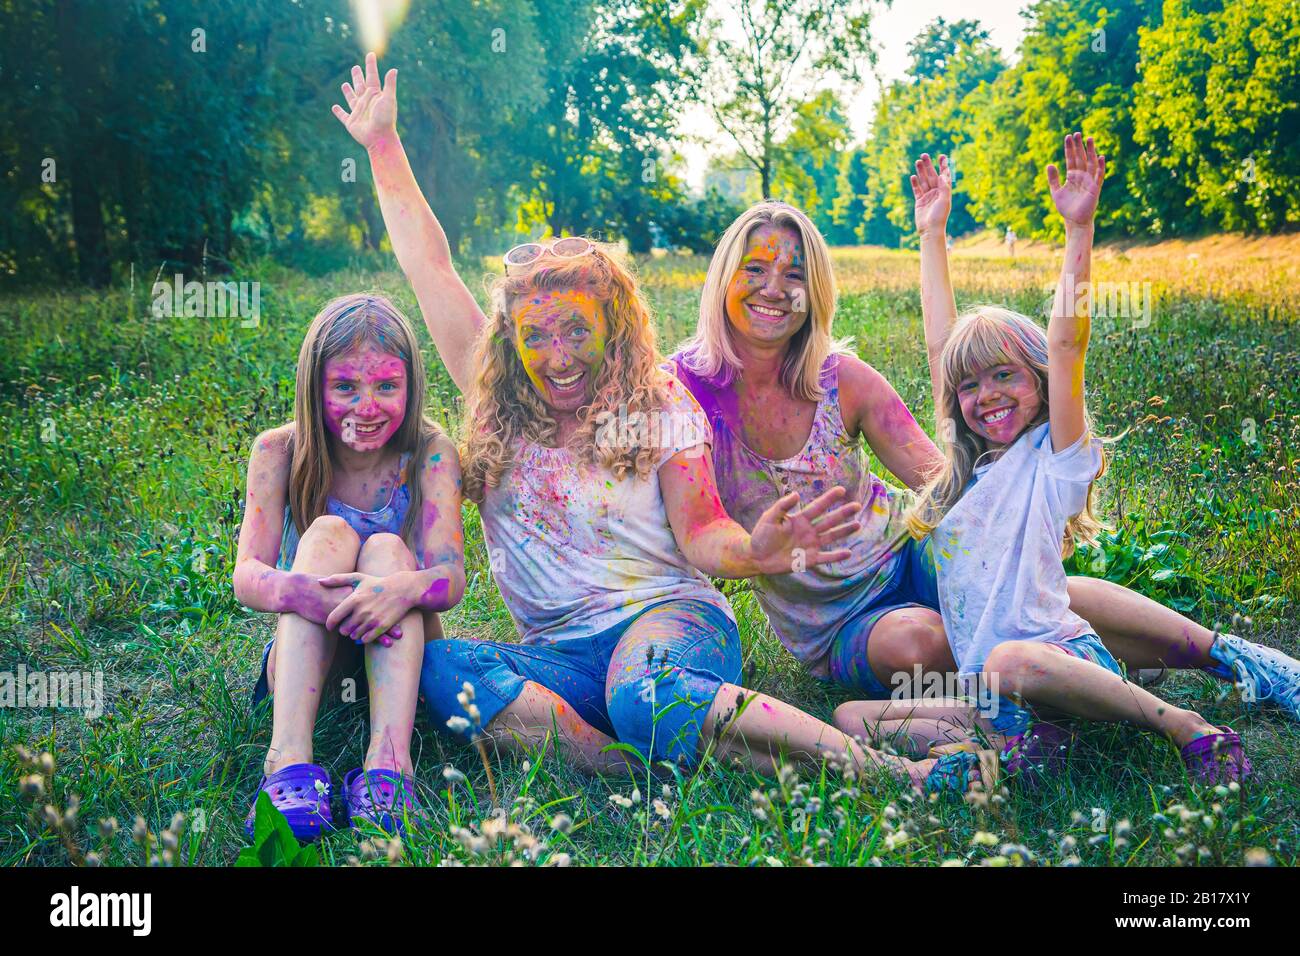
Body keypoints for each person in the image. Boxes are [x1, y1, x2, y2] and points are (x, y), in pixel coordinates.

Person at [331, 53, 984, 793]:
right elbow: (432, 268)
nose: (558, 356)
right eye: (537, 336)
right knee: (441, 670)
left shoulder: (659, 400)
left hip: (671, 622)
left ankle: (887, 771)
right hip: (561, 656)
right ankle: (622, 766)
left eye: (577, 331)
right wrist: (384, 147)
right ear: (510, 339)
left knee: (643, 691)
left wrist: (761, 550)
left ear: (612, 324)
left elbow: (704, 532)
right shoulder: (495, 405)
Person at [667, 191, 1299, 726]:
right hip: (836, 619)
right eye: (754, 269)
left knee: (1031, 593)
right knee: (920, 639)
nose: (774, 288)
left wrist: (1014, 514)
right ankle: (1036, 696)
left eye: (795, 273)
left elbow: (942, 473)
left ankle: (1233, 658)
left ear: (816, 291)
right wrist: (755, 553)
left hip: (910, 551)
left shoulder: (841, 378)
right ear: (724, 275)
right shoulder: (680, 391)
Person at [833, 141, 1250, 784]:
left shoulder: (1052, 458)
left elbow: (1066, 342)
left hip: (1056, 660)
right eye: (971, 386)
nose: (986, 396)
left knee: (1007, 662)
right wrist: (932, 233)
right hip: (991, 688)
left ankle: (1181, 724)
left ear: (1038, 381)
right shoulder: (961, 472)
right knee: (852, 717)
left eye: (1006, 376)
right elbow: (941, 345)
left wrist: (1078, 229)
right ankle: (1034, 741)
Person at [232, 293, 466, 838]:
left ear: (411, 386)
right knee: (329, 533)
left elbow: (450, 577)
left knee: (387, 552)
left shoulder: (431, 453)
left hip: (403, 660)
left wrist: (397, 590)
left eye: (387, 386)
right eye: (345, 387)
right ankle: (285, 761)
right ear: (315, 387)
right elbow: (247, 574)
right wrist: (305, 592)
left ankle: (390, 767)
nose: (367, 407)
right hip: (312, 660)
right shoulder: (278, 451)